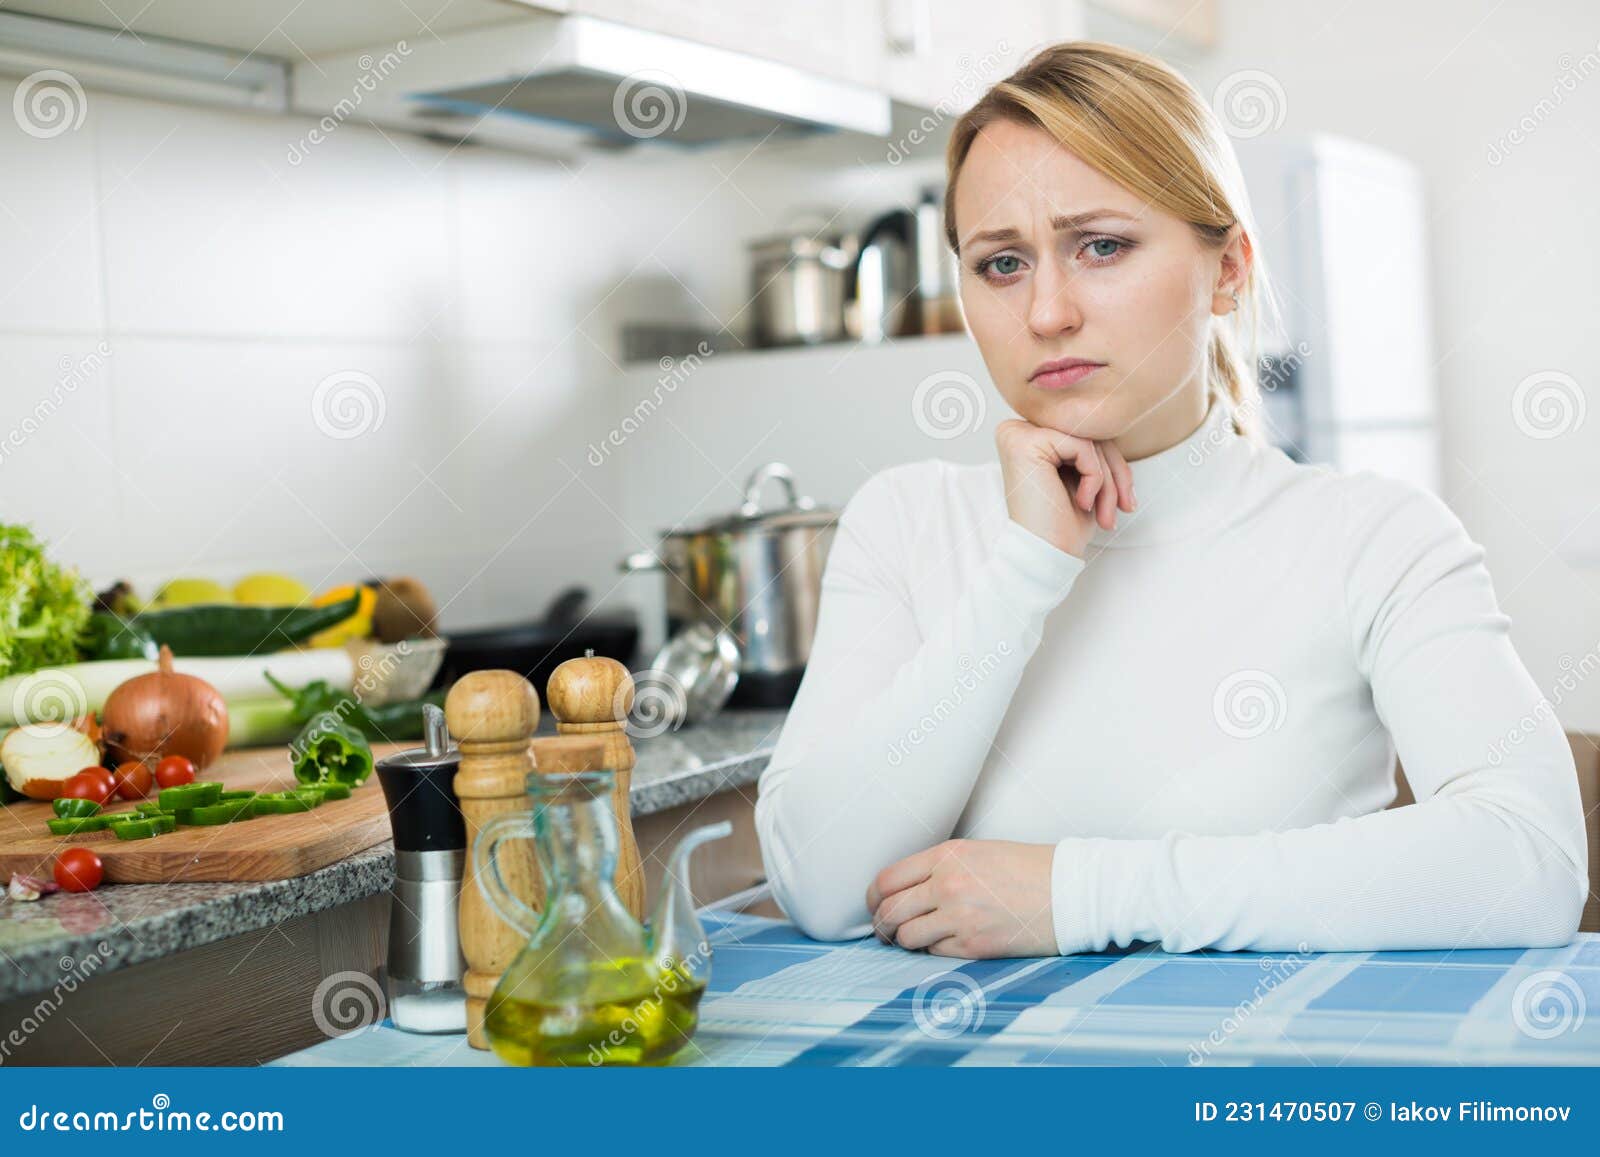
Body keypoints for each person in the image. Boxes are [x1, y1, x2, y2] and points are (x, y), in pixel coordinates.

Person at [752, 41, 1588, 959]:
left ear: (1228, 268)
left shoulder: (1374, 537)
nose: (1046, 313)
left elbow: (1531, 859)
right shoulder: (904, 522)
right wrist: (1027, 568)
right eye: (1001, 264)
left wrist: (1083, 893)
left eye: (1101, 246)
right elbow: (822, 887)